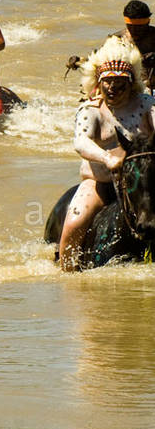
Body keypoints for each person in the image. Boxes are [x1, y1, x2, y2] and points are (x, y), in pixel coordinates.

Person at [59, 36, 155, 271]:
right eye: (107, 82)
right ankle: (67, 273)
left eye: (119, 82)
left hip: (145, 181)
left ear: (131, 83)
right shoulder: (90, 110)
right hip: (100, 183)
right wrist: (108, 158)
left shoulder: (146, 104)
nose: (112, 88)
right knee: (75, 222)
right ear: (98, 82)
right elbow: (81, 142)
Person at [114, 0, 155, 92]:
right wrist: (80, 60)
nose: (134, 30)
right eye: (130, 26)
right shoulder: (116, 40)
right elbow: (99, 62)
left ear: (148, 22)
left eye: (140, 27)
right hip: (127, 92)